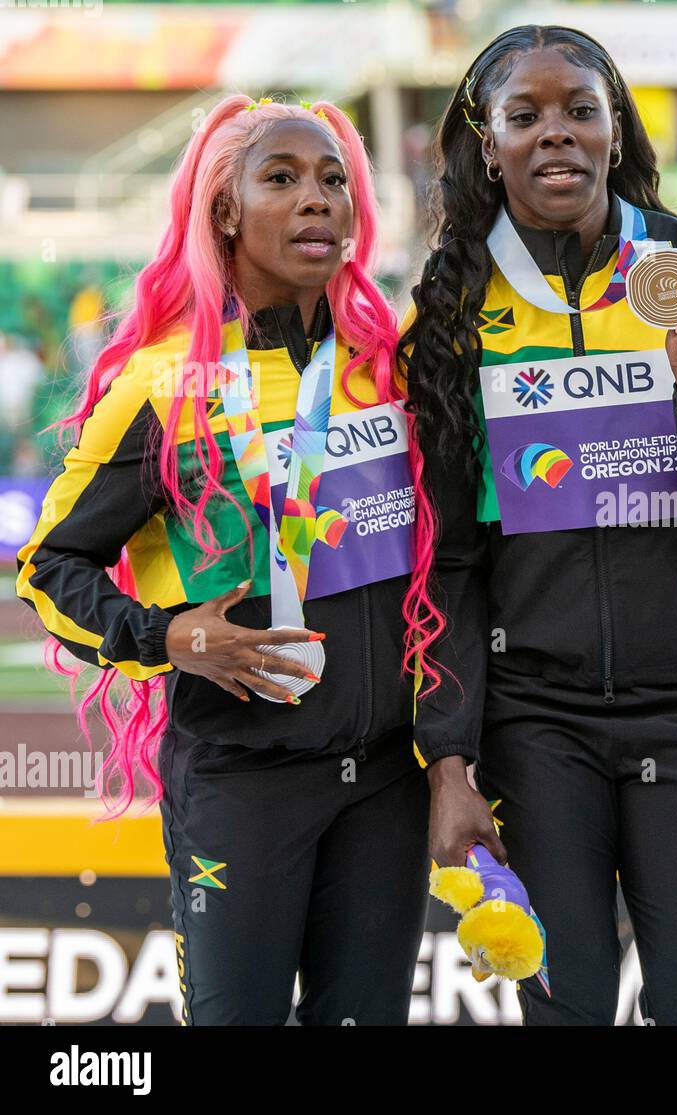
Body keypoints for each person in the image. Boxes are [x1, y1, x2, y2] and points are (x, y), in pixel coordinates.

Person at [16, 95, 454, 1025]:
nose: (317, 201)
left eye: (334, 179)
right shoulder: (165, 384)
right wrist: (166, 636)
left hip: (385, 782)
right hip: (240, 780)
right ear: (224, 211)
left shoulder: (389, 368)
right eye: (283, 179)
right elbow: (49, 564)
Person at [401, 25, 677, 1025]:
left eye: (580, 110)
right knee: (562, 1011)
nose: (555, 135)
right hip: (534, 725)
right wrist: (449, 760)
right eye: (523, 116)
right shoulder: (454, 304)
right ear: (488, 143)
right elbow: (445, 558)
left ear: (616, 130)